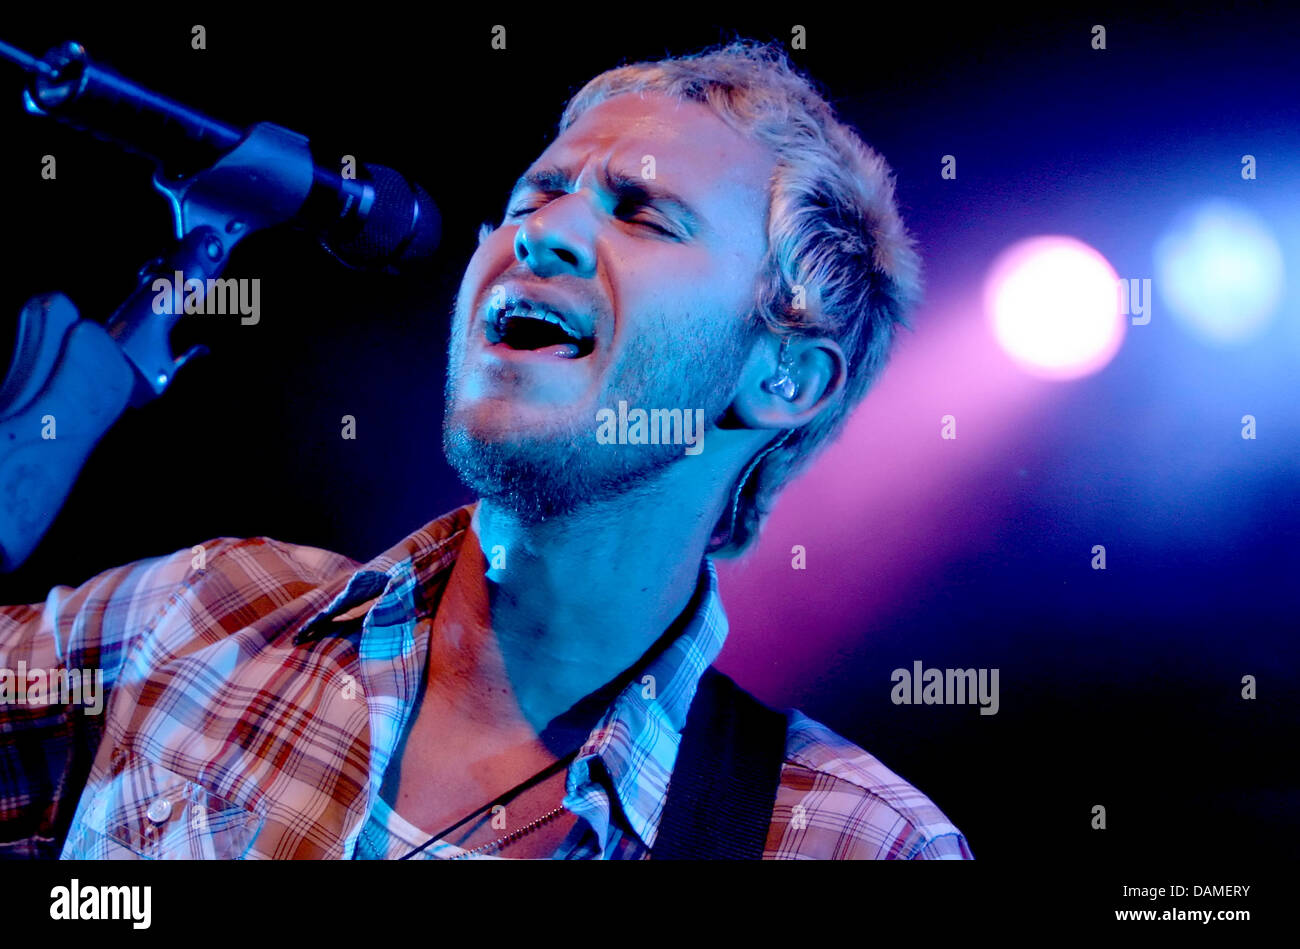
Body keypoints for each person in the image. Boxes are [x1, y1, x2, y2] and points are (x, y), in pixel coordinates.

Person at [0, 40, 971, 860]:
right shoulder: (197, 616)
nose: (541, 233)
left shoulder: (847, 838)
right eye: (529, 198)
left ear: (784, 378)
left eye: (640, 214)